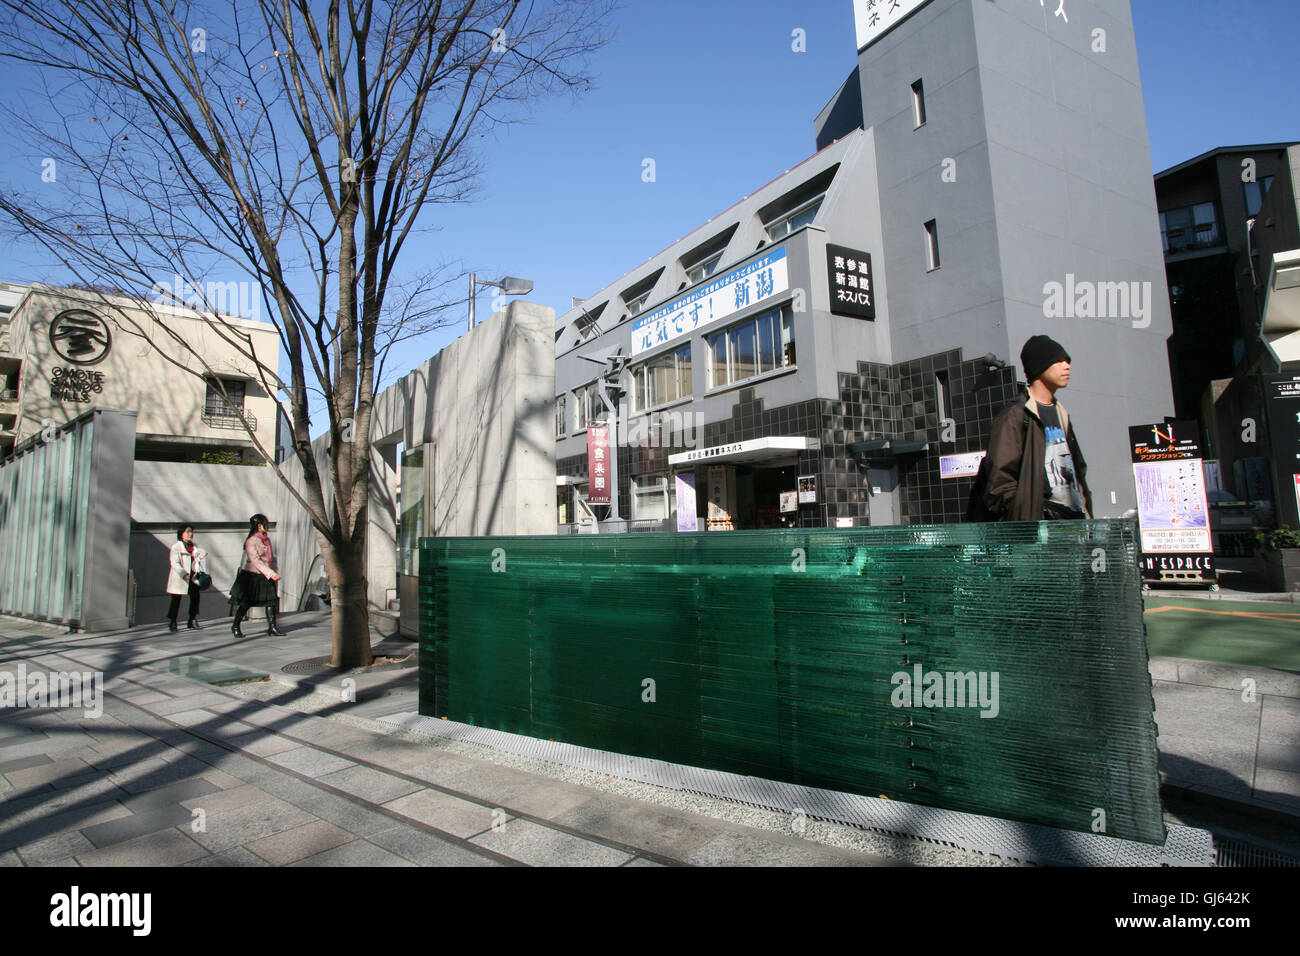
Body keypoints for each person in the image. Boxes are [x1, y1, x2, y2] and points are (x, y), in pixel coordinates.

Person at [983, 334, 1093, 521]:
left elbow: (1078, 471)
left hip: (1074, 525)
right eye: (1058, 361)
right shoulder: (1016, 415)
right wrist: (1031, 517)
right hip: (1041, 532)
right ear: (1039, 367)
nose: (1067, 366)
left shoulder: (1062, 414)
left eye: (1067, 361)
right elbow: (999, 484)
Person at [230, 513, 285, 637]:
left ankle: (272, 627)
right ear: (259, 526)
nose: (267, 526)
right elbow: (255, 561)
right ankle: (235, 625)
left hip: (267, 574)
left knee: (271, 601)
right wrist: (271, 573)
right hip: (252, 576)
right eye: (265, 524)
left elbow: (270, 558)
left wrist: (274, 572)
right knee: (246, 603)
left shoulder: (266, 539)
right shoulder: (251, 541)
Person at [165, 525, 207, 632]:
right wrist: (183, 573)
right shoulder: (176, 547)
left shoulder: (195, 547)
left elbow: (197, 561)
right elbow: (174, 562)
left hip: (193, 577)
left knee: (195, 598)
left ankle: (192, 620)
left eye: (191, 532)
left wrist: (201, 558)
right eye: (187, 532)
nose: (190, 534)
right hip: (181, 577)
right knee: (176, 600)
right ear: (181, 534)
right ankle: (173, 621)